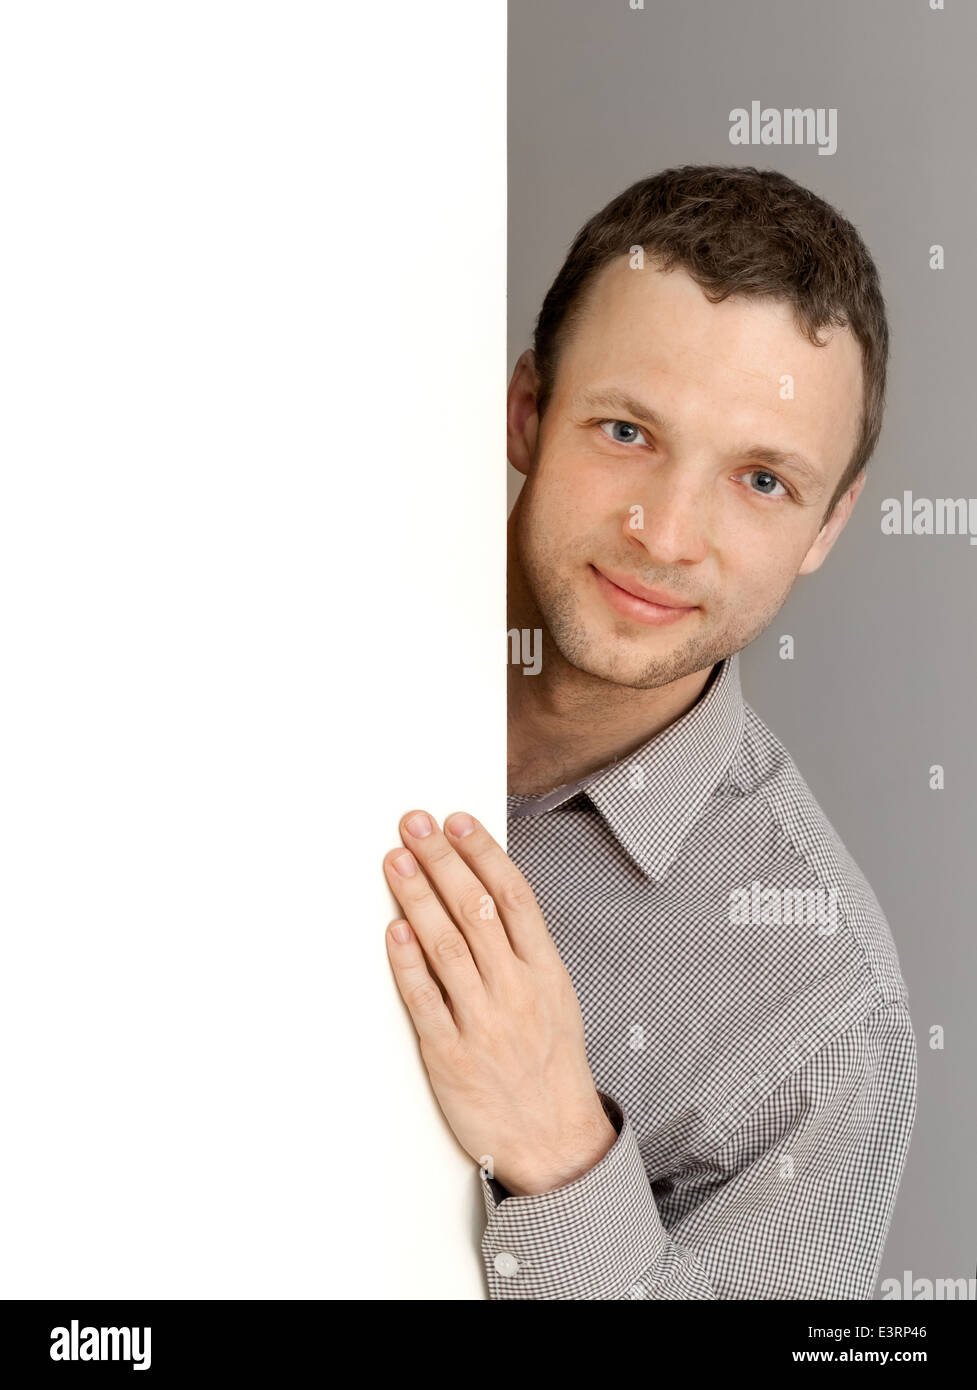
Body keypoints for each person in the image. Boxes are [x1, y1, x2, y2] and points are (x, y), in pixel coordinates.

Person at [381, 165, 916, 1300]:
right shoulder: (286, 633)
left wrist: (559, 1151)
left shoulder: (820, 1017)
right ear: (528, 410)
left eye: (761, 480)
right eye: (625, 430)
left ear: (827, 523)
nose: (665, 535)